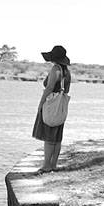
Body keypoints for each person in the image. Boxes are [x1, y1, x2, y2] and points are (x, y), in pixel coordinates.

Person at [31, 44, 72, 173]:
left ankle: (46, 166)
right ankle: (53, 165)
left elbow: (49, 88)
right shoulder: (67, 72)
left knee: (48, 137)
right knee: (57, 138)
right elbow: (67, 90)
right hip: (61, 106)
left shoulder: (55, 69)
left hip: (51, 104)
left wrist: (41, 103)